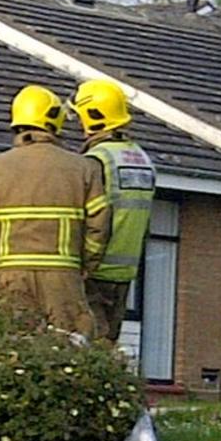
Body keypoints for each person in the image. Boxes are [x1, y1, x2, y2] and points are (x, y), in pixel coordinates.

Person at [0, 85, 110, 337]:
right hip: (63, 276)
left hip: (10, 275)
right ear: (55, 121)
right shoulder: (84, 169)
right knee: (67, 343)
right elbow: (100, 225)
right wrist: (87, 264)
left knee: (13, 342)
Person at [72, 79, 156, 342]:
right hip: (125, 272)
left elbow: (91, 217)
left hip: (95, 270)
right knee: (108, 343)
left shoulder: (97, 160)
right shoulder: (142, 159)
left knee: (89, 345)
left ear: (91, 115)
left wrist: (84, 262)